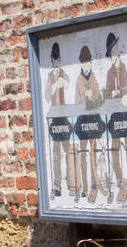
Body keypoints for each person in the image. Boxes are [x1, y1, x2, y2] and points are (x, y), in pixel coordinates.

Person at [104, 31, 127, 205]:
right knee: (115, 151)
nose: (115, 53)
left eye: (116, 49)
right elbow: (107, 95)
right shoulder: (110, 72)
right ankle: (119, 180)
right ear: (110, 55)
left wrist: (125, 93)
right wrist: (114, 94)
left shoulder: (124, 67)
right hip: (116, 117)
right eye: (112, 51)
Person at [44, 41, 75, 199]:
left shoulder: (65, 74)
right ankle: (57, 186)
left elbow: (69, 87)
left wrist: (63, 83)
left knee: (68, 151)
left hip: (64, 117)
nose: (56, 63)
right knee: (56, 155)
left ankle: (71, 183)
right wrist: (53, 87)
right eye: (54, 61)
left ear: (60, 60)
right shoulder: (50, 76)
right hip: (54, 119)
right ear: (51, 60)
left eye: (58, 60)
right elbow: (46, 96)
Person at [74, 44, 103, 205]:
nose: (87, 65)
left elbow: (97, 94)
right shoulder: (79, 79)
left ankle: (94, 184)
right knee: (83, 154)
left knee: (93, 153)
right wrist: (83, 96)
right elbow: (75, 100)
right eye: (84, 63)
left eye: (88, 63)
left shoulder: (93, 78)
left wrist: (92, 94)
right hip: (82, 121)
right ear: (81, 64)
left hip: (93, 119)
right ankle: (84, 187)